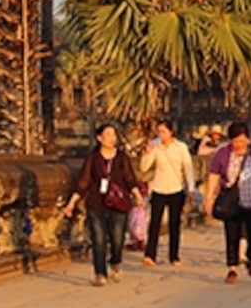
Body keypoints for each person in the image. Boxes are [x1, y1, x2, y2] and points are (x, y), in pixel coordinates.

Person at [63, 123, 142, 286]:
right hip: (97, 203)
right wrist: (72, 203)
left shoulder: (121, 158)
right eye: (108, 135)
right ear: (99, 138)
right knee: (98, 240)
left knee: (117, 239)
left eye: (114, 135)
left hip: (118, 203)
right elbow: (83, 182)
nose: (112, 138)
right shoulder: (93, 158)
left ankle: (115, 261)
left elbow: (129, 178)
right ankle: (100, 273)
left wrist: (137, 195)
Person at [205, 121, 251, 284]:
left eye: (243, 141)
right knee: (232, 234)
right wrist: (209, 198)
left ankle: (250, 257)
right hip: (232, 200)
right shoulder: (223, 153)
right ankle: (232, 268)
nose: (239, 145)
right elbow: (214, 174)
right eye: (236, 141)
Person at [139, 118, 196, 267]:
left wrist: (191, 188)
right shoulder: (155, 147)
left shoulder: (181, 147)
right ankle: (150, 254)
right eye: (159, 132)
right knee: (155, 223)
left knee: (174, 224)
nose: (161, 135)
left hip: (176, 188)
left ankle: (174, 255)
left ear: (171, 132)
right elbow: (144, 168)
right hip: (159, 188)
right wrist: (147, 153)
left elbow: (188, 168)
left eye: (164, 131)